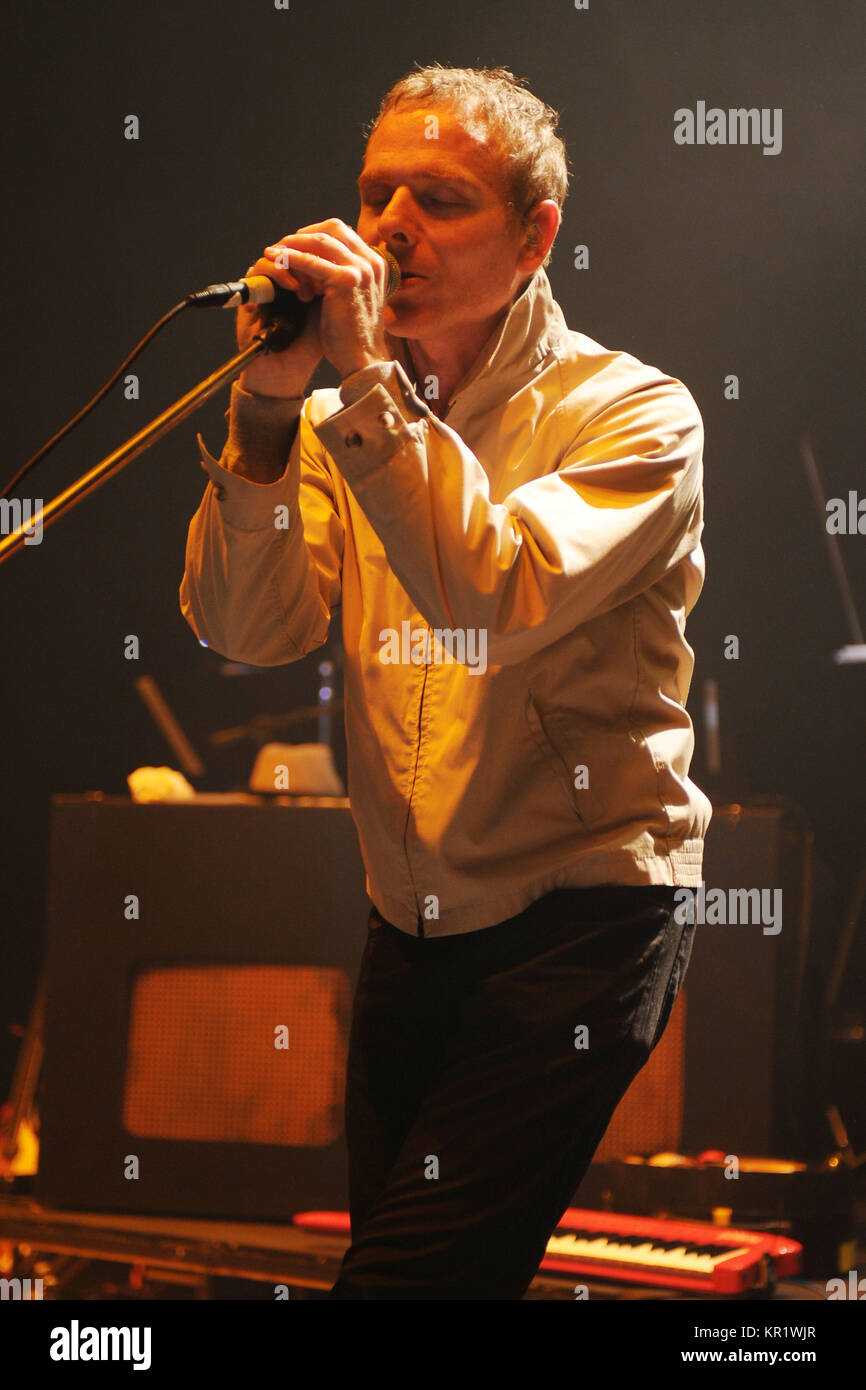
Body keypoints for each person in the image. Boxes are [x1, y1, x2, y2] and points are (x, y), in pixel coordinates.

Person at [180, 64, 712, 1300]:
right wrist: (267, 406)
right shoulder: (335, 424)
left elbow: (489, 598)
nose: (390, 229)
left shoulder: (635, 413)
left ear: (536, 236)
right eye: (375, 195)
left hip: (582, 919)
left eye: (442, 198)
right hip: (410, 921)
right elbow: (246, 628)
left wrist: (357, 387)